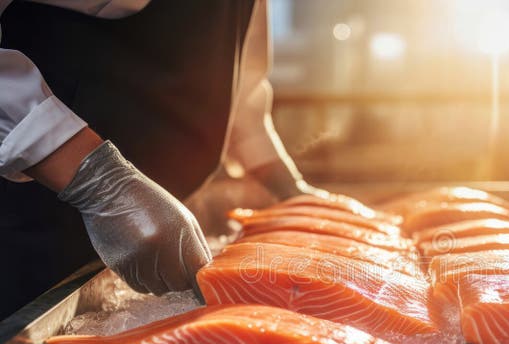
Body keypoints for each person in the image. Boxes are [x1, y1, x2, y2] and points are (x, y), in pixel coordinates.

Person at [0, 0, 318, 318]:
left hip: (171, 216)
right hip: (40, 212)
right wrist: (98, 183)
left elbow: (239, 71)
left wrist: (278, 176)